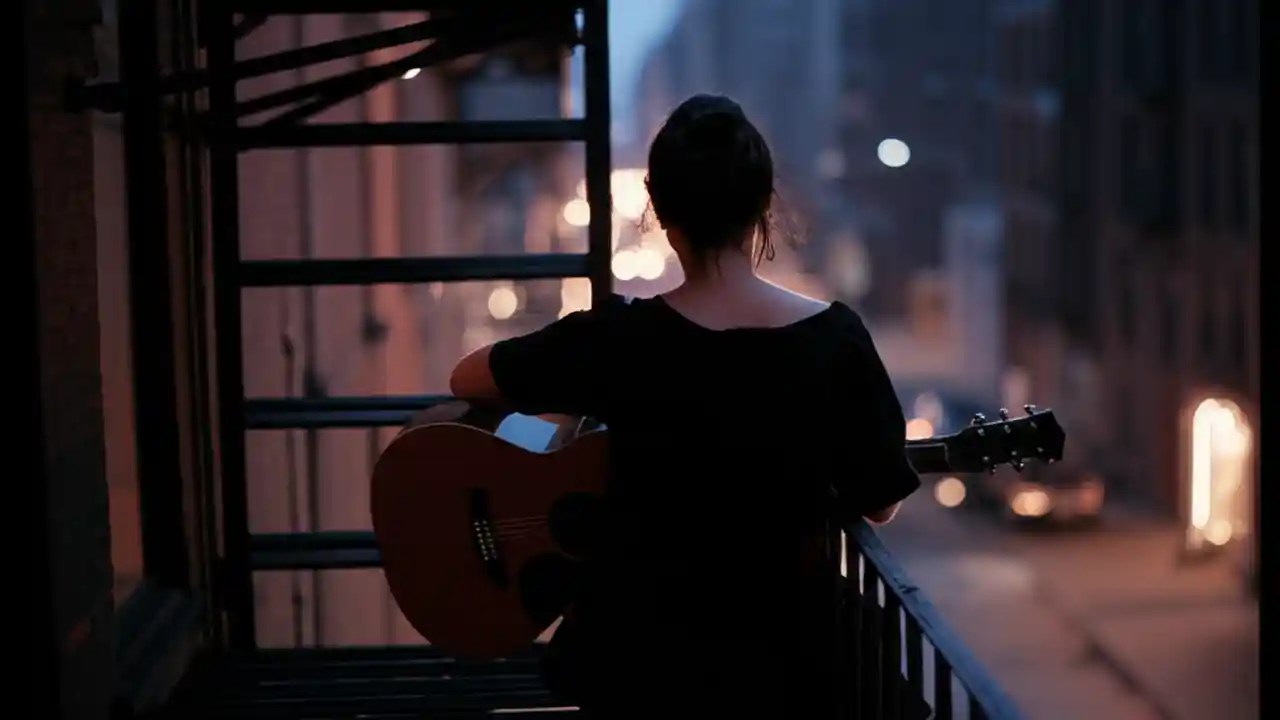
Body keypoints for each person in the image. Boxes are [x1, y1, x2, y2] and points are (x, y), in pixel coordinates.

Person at [449, 94, 920, 718]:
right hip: (788, 667)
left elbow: (468, 378)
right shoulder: (835, 340)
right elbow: (879, 500)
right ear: (764, 207)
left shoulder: (618, 339)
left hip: (641, 663)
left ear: (661, 210)